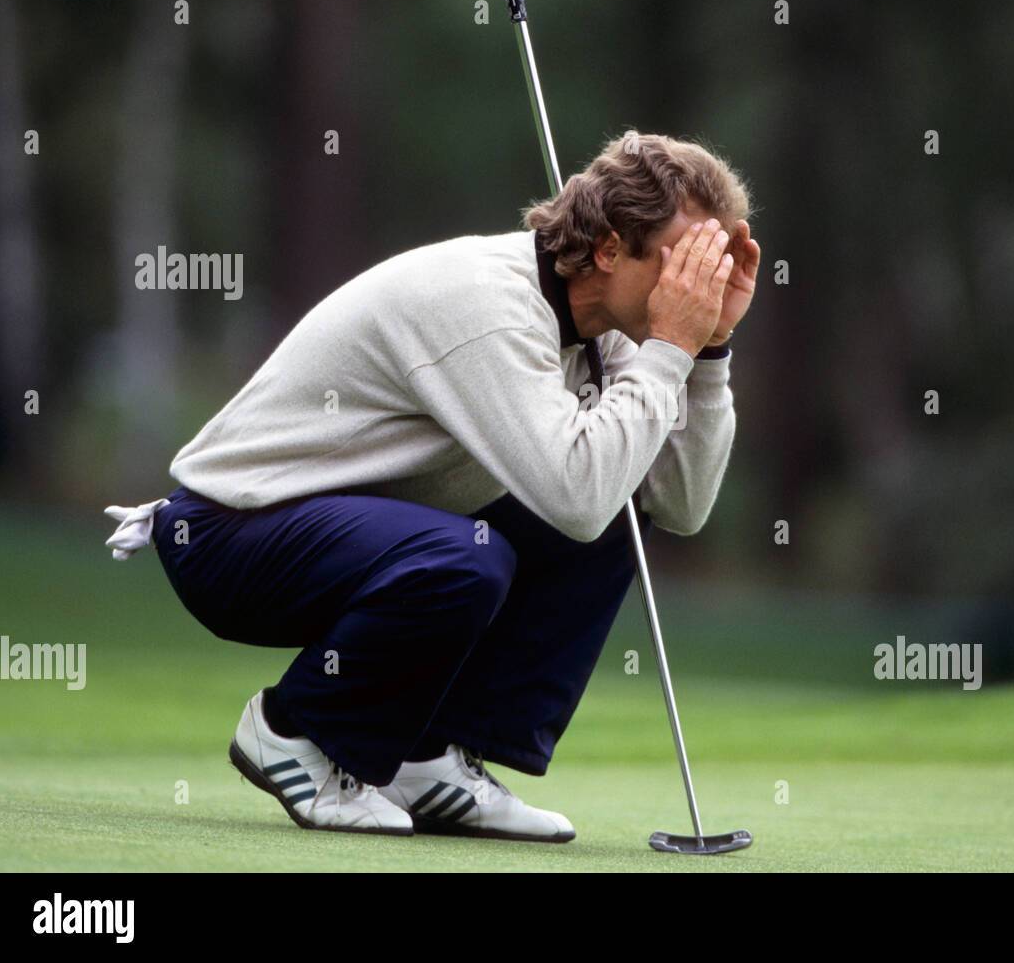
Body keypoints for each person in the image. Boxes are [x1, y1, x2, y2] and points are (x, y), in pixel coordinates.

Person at [103, 132, 760, 841]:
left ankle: (426, 756)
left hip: (352, 533)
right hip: (232, 534)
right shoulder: (489, 306)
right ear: (606, 249)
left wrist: (710, 351)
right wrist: (670, 353)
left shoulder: (617, 325)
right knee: (470, 554)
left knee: (614, 499)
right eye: (682, 263)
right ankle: (293, 731)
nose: (693, 289)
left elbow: (677, 506)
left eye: (709, 265)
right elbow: (577, 496)